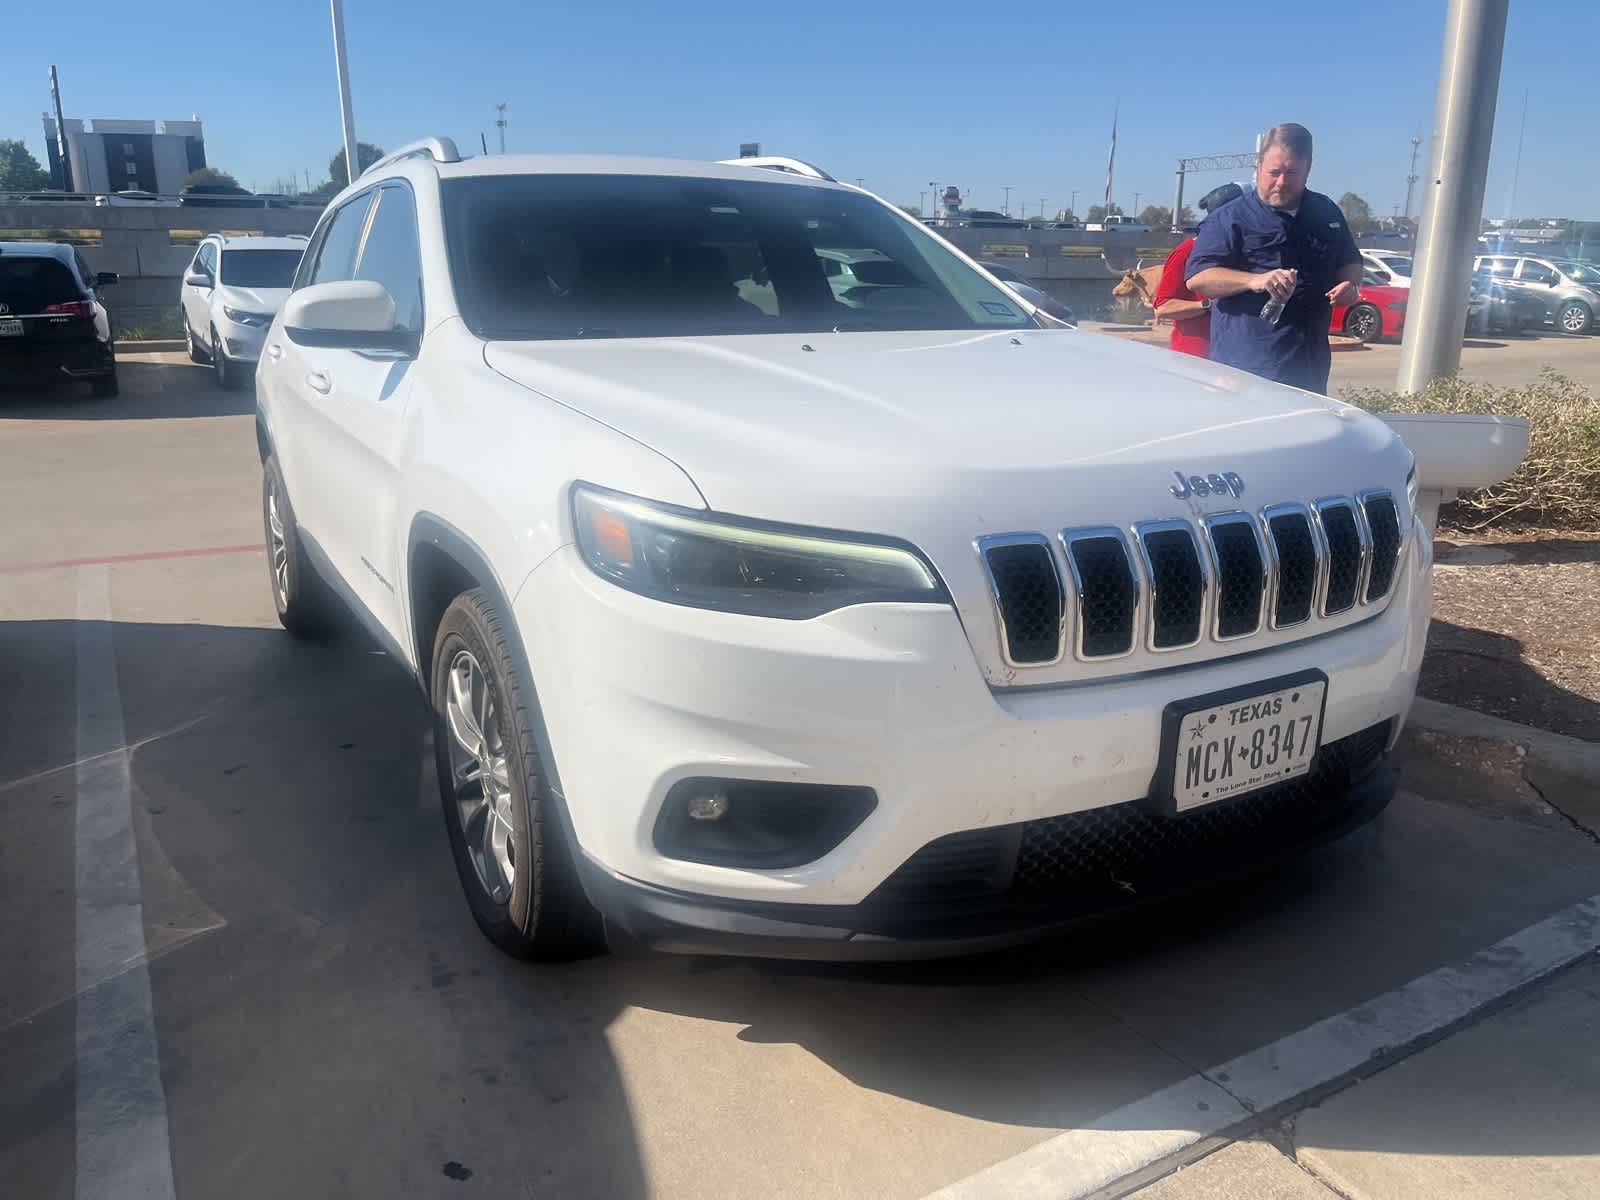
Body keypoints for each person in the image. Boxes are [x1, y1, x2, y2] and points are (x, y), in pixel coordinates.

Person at [1184, 123, 1362, 392]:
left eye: (1292, 172)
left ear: (1308, 168)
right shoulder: (1230, 218)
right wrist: (1255, 281)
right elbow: (1198, 278)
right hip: (1247, 373)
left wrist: (1351, 285)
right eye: (1274, 172)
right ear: (1258, 167)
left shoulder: (1326, 212)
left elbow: (1351, 261)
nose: (1282, 182)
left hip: (1309, 370)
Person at [1150, 182, 1244, 357]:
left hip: (1236, 357)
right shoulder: (1187, 252)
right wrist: (1208, 306)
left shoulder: (1249, 250)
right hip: (1197, 359)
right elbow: (1162, 308)